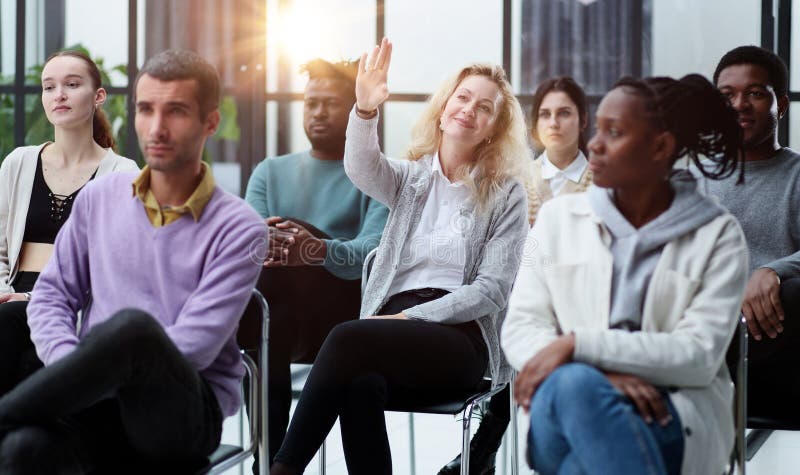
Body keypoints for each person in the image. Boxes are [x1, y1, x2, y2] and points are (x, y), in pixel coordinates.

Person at [270, 37, 530, 475]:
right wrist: (365, 109)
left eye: (485, 107)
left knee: (347, 337)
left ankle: (282, 470)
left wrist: (413, 319)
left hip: (458, 337)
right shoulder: (410, 180)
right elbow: (361, 167)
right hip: (390, 329)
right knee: (358, 385)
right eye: (463, 97)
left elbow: (491, 290)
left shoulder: (507, 195)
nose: (470, 109)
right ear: (444, 109)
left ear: (492, 128)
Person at [0, 50, 266, 473]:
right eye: (145, 109)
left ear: (210, 123)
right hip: (95, 403)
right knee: (23, 447)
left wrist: (83, 379)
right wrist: (74, 372)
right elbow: (51, 297)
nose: (156, 128)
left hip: (178, 415)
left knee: (135, 330)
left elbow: (191, 349)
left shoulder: (241, 227)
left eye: (175, 111)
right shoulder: (99, 198)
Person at [501, 74, 749, 475]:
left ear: (660, 147)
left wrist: (577, 345)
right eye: (598, 128)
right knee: (578, 389)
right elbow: (520, 327)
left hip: (669, 414)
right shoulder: (555, 219)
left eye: (614, 132)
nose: (595, 144)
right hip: (559, 410)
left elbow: (699, 354)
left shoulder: (718, 235)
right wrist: (601, 378)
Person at [438, 75, 592, 475]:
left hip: (579, 297)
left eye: (564, 113)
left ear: (583, 120)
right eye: (545, 114)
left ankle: (490, 443)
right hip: (520, 291)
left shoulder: (601, 182)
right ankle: (491, 442)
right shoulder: (514, 181)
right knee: (515, 314)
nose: (554, 122)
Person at [244, 57, 388, 467]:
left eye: (329, 103)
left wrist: (312, 247)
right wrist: (285, 245)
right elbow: (244, 246)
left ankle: (269, 463)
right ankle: (273, 461)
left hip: (342, 319)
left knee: (267, 315)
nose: (318, 112)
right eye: (311, 103)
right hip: (276, 319)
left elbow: (371, 258)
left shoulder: (375, 178)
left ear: (352, 111)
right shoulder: (270, 172)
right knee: (270, 315)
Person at [0, 50, 138, 396]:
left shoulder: (123, 174)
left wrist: (31, 298)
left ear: (98, 96)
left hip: (74, 306)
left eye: (72, 84)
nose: (58, 94)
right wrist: (7, 292)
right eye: (49, 87)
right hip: (8, 301)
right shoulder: (18, 162)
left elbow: (114, 267)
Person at [705, 45, 800, 421]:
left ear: (781, 104)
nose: (739, 105)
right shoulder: (690, 180)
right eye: (727, 96)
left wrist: (775, 270)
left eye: (755, 94)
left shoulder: (796, 175)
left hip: (776, 335)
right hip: (700, 329)